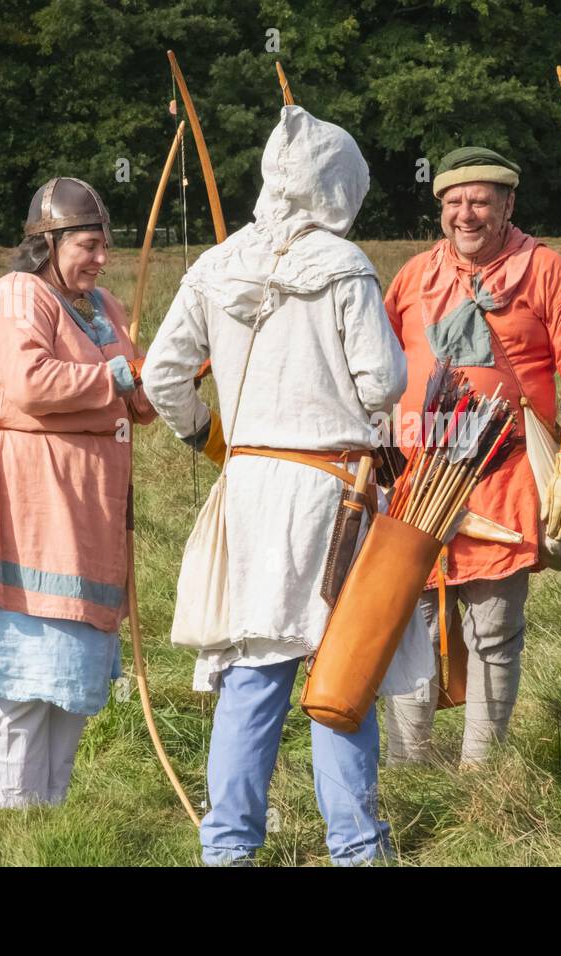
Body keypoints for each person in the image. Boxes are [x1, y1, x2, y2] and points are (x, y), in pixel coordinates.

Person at [141, 106, 429, 865]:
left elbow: (161, 378)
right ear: (336, 186)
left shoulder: (214, 265)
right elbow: (384, 379)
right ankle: (357, 851)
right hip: (331, 490)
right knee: (343, 669)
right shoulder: (343, 266)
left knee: (254, 675)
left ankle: (230, 851)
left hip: (250, 491)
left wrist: (214, 438)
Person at [380, 147, 561, 766]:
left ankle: (482, 773)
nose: (466, 213)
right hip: (417, 476)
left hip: (502, 473)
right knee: (413, 624)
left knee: (491, 629)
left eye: (480, 200)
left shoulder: (545, 270)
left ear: (508, 203)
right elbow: (372, 370)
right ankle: (409, 765)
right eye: (453, 202)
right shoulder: (412, 277)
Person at [0, 177, 157, 809]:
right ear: (49, 242)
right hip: (25, 502)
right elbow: (31, 382)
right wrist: (120, 375)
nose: (101, 259)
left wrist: (173, 372)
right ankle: (10, 819)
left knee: (67, 684)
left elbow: (140, 400)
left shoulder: (106, 308)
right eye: (90, 246)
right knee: (23, 679)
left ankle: (48, 823)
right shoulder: (15, 295)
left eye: (105, 247)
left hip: (86, 515)